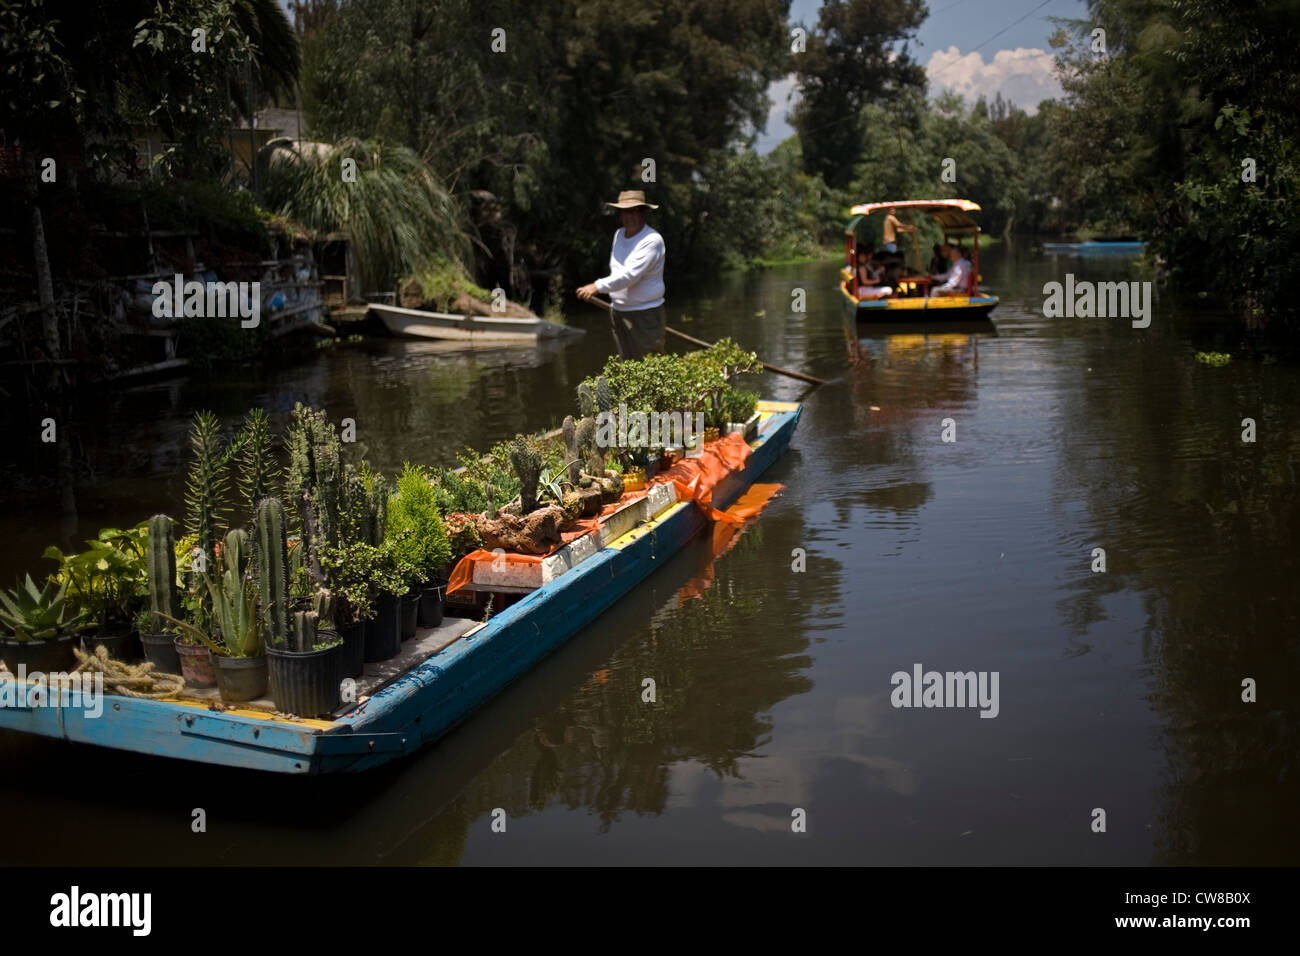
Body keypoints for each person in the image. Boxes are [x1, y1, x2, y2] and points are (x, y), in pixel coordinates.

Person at [576, 190, 666, 358]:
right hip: (618, 311)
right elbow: (617, 269)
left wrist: (597, 286)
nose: (628, 216)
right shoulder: (619, 235)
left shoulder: (652, 240)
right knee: (626, 366)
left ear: (644, 213)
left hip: (645, 314)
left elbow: (630, 275)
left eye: (633, 211)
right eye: (624, 211)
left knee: (651, 366)